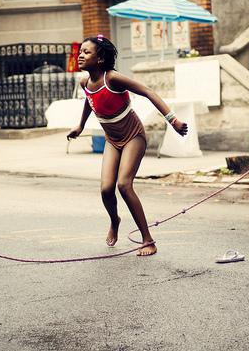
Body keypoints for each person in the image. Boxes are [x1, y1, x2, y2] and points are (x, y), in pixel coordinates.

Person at [67, 35, 188, 256]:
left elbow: (149, 92)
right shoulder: (85, 82)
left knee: (124, 185)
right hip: (112, 140)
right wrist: (80, 126)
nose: (80, 55)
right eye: (80, 51)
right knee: (106, 189)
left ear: (101, 58)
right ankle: (115, 220)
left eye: (86, 52)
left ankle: (148, 239)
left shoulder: (112, 78)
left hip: (133, 136)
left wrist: (173, 120)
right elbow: (89, 100)